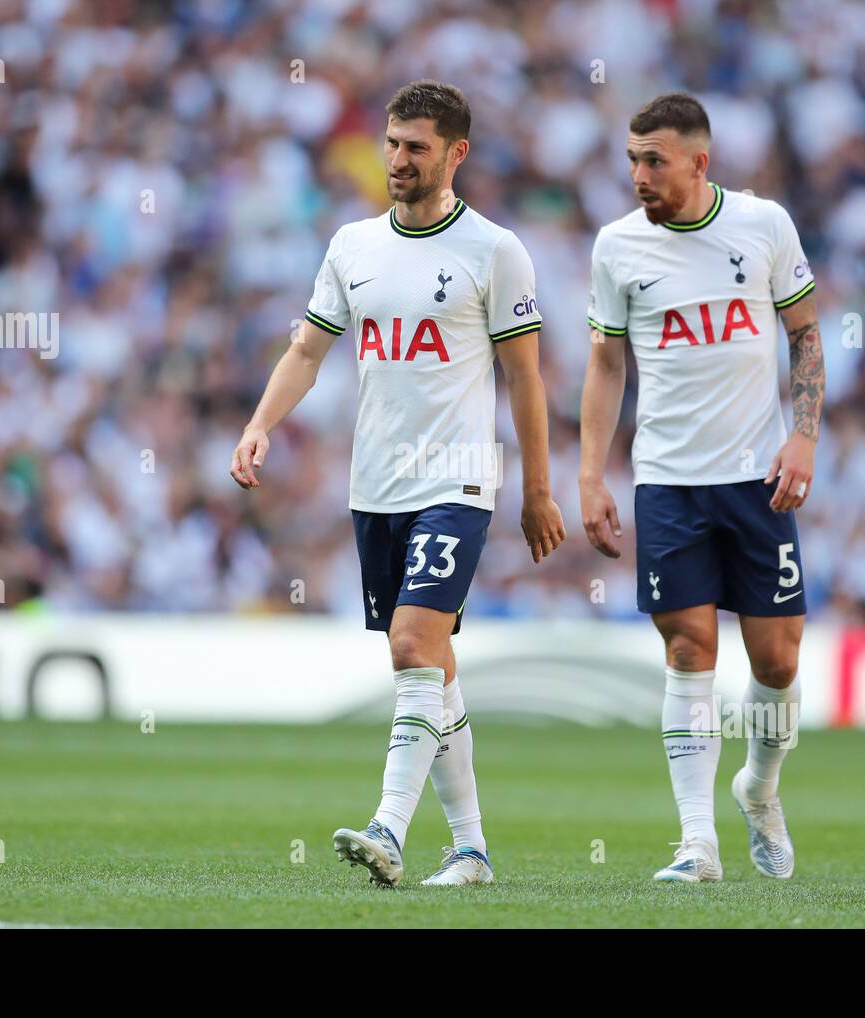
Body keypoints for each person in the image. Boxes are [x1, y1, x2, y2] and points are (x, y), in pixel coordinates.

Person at [232, 80, 565, 887]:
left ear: (456, 153)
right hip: (374, 486)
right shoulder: (352, 245)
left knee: (417, 644)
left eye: (417, 147)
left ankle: (388, 824)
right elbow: (308, 351)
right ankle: (473, 849)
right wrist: (260, 423)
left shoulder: (494, 250)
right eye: (391, 143)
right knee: (427, 665)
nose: (398, 159)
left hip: (456, 479)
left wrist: (539, 488)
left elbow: (525, 377)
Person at [579, 93, 824, 882]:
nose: (639, 175)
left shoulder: (763, 225)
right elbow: (607, 362)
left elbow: (806, 333)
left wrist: (804, 433)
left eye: (654, 160)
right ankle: (697, 842)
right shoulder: (616, 247)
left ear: (698, 162)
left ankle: (759, 785)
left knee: (777, 662)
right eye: (631, 159)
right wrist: (590, 472)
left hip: (757, 479)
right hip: (669, 482)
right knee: (688, 649)